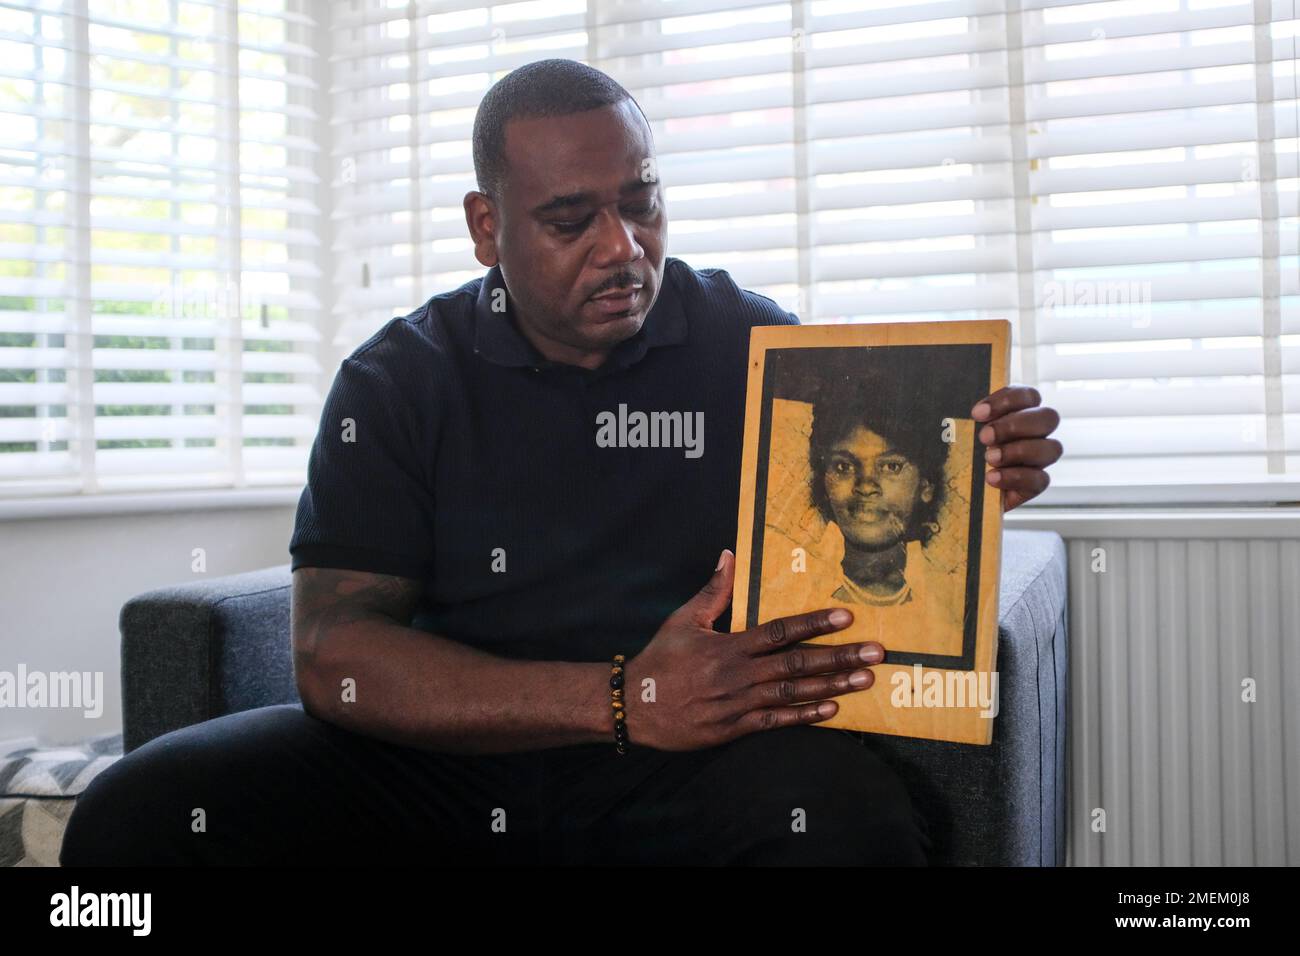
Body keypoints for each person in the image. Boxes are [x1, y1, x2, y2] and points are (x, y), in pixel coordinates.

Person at [59, 59, 1062, 867]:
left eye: (643, 202)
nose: (623, 246)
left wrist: (975, 473)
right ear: (485, 226)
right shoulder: (398, 380)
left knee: (845, 823)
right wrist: (624, 698)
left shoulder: (754, 346)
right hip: (446, 759)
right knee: (139, 812)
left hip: (694, 766)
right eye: (571, 218)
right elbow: (331, 653)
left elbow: (861, 520)